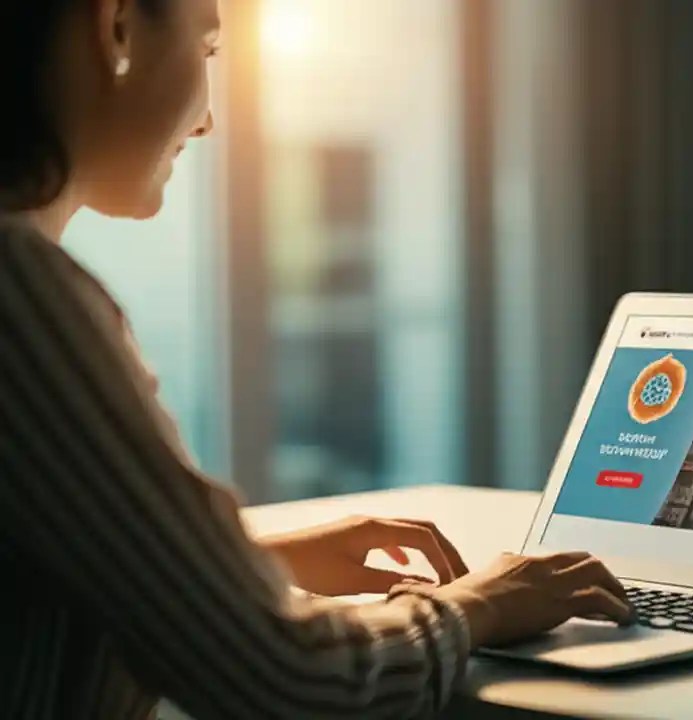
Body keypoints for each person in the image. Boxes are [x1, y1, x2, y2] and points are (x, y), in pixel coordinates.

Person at [0, 1, 633, 718]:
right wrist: (479, 604)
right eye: (207, 50)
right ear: (114, 27)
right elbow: (292, 679)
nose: (207, 119)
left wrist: (246, 560)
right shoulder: (22, 296)